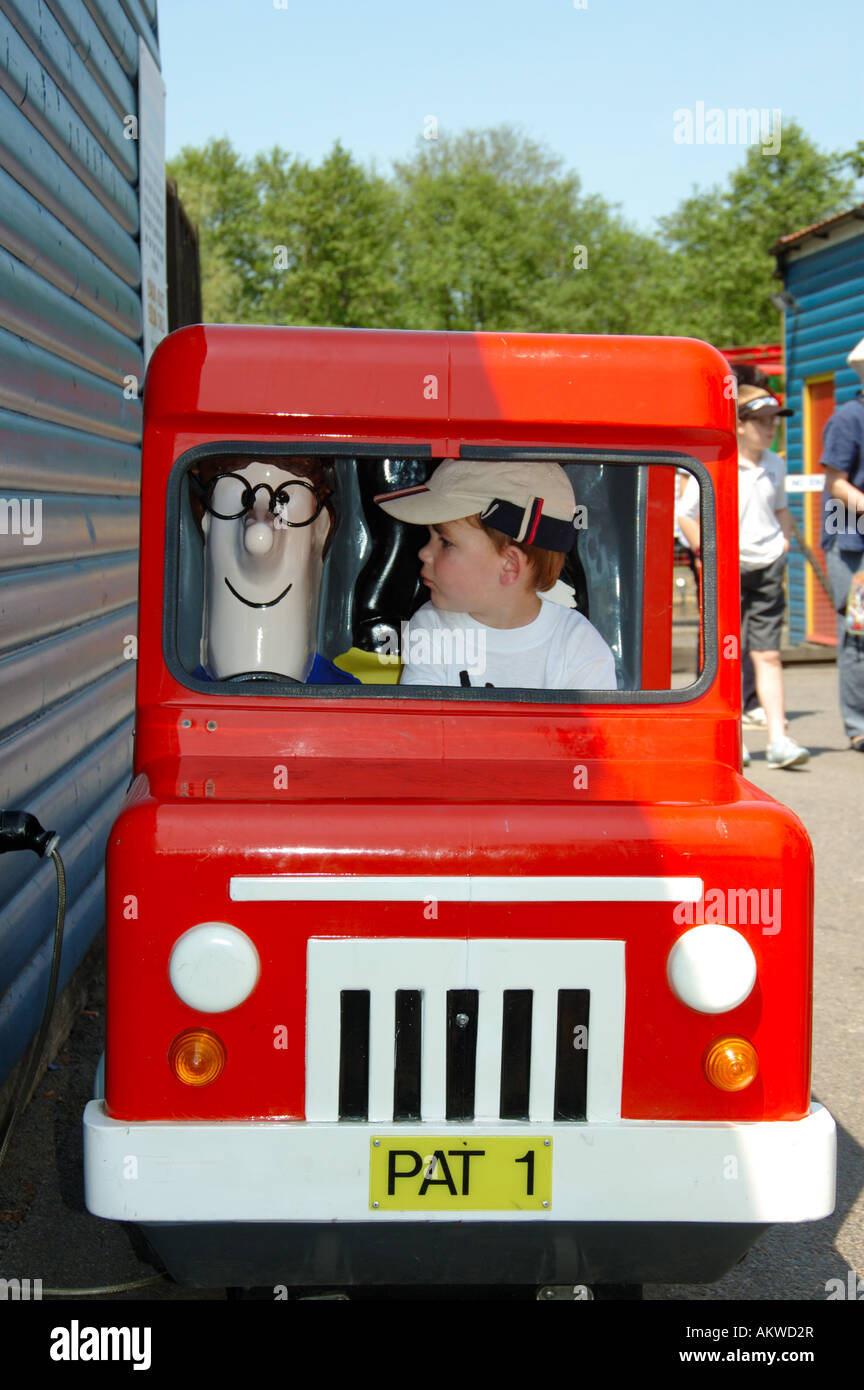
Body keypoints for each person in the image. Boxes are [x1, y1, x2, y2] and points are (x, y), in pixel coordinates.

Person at [374, 458, 617, 689]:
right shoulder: (431, 626)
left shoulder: (578, 645)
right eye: (430, 537)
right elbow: (421, 719)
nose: (424, 553)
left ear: (509, 565)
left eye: (445, 542)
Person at [677, 384, 809, 769]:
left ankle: (778, 739)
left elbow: (781, 508)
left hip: (767, 565)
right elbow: (686, 515)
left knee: (768, 653)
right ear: (740, 424)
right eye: (762, 421)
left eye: (774, 422)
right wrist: (708, 554)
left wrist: (784, 541)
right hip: (727, 567)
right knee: (726, 652)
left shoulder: (776, 464)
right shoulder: (719, 461)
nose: (770, 429)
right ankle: (730, 737)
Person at [820, 334, 864, 751]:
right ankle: (858, 725)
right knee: (858, 634)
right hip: (852, 544)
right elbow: (836, 483)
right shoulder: (848, 418)